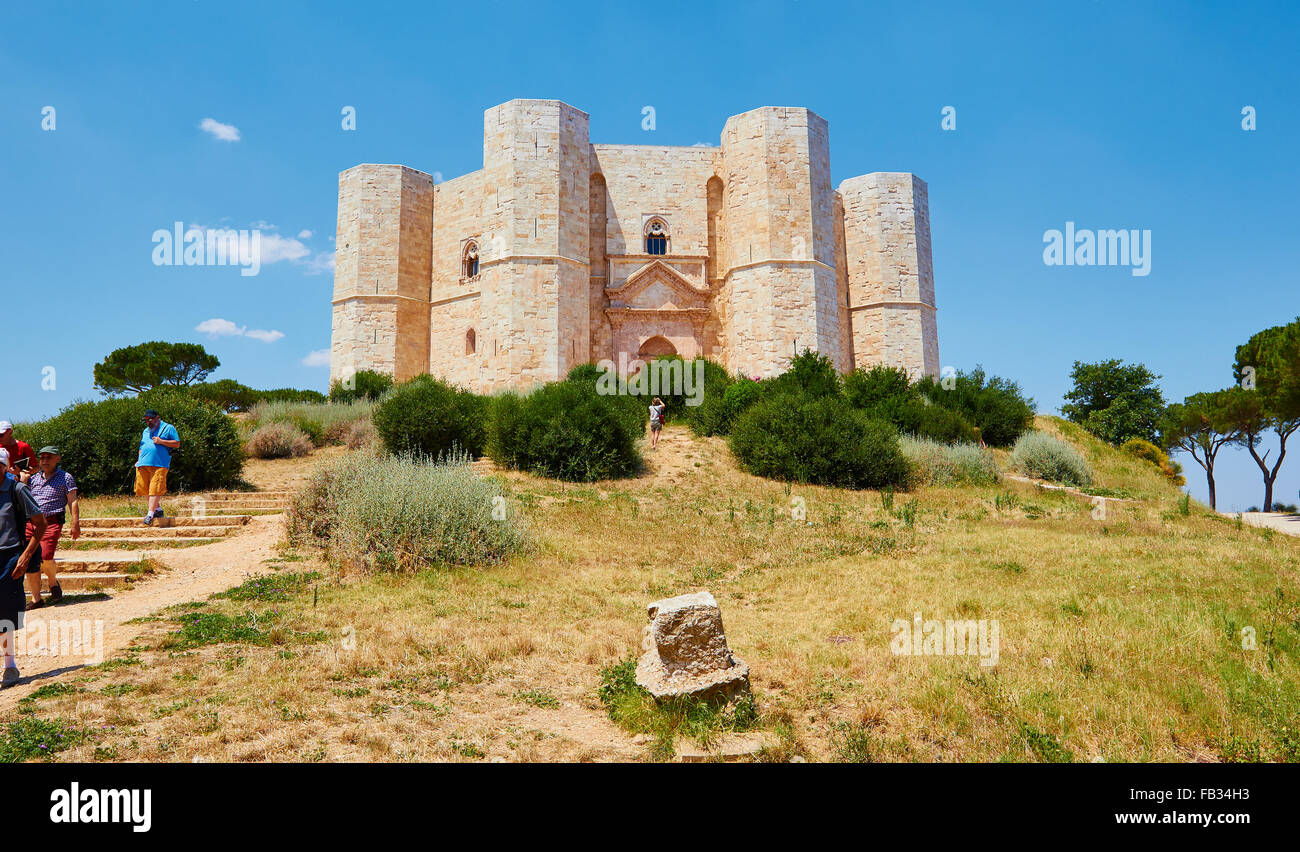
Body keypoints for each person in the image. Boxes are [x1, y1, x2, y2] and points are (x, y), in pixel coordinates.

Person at [0, 447, 46, 686]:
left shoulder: (17, 489)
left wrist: (26, 557)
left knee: (5, 613)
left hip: (9, 556)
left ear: (6, 467)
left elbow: (40, 524)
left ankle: (10, 666)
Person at [24, 447, 78, 608]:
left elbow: (73, 501)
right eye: (42, 458)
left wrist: (75, 523)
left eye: (49, 457)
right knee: (30, 558)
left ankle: (53, 583)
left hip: (52, 521)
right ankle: (36, 599)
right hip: (31, 522)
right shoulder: (33, 479)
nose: (45, 461)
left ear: (57, 459)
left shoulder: (66, 477)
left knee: (46, 556)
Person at [135, 408, 180, 526]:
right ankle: (158, 510)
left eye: (150, 420)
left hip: (160, 463)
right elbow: (142, 446)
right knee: (143, 489)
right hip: (143, 463)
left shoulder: (168, 428)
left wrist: (161, 441)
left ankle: (150, 514)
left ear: (157, 418)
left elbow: (177, 443)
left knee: (155, 488)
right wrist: (139, 460)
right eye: (146, 420)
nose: (148, 422)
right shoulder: (146, 431)